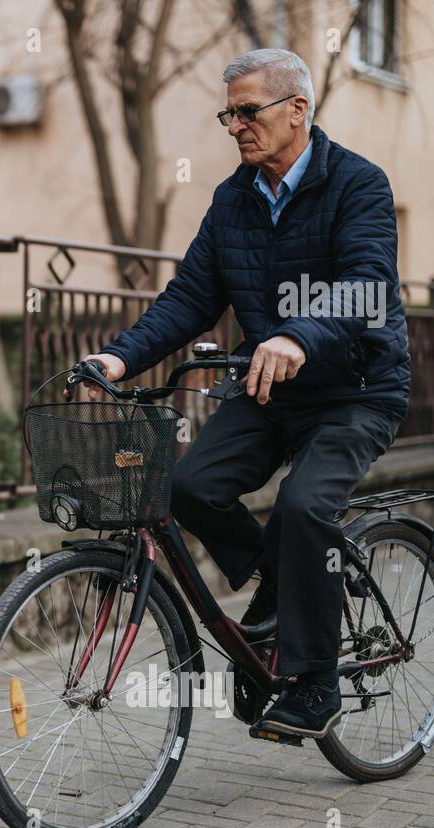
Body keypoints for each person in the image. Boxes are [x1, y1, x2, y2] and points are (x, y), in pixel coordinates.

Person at [85, 48, 410, 739]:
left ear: (297, 110)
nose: (234, 125)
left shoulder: (358, 184)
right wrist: (119, 358)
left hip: (356, 389)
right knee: (188, 486)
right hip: (271, 390)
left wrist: (297, 335)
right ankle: (281, 587)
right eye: (227, 113)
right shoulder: (234, 198)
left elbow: (368, 283)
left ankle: (317, 684)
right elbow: (190, 299)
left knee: (301, 505)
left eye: (247, 110)